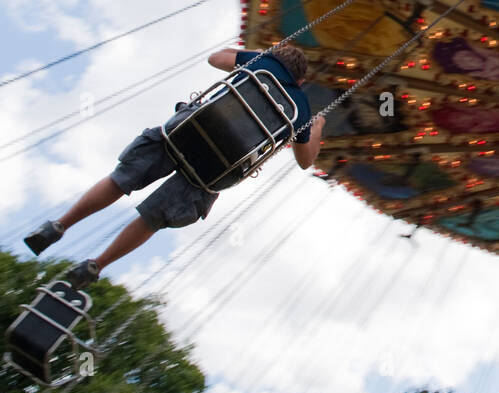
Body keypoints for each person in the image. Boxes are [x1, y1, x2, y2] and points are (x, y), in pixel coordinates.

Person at [23, 45, 325, 288]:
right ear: (300, 81)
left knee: (122, 179)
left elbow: (215, 57)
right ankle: (96, 265)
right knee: (153, 218)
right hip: (214, 169)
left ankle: (60, 225)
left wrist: (260, 54)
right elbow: (304, 161)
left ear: (276, 56)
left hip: (188, 133)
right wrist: (317, 126)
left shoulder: (260, 63)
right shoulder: (300, 109)